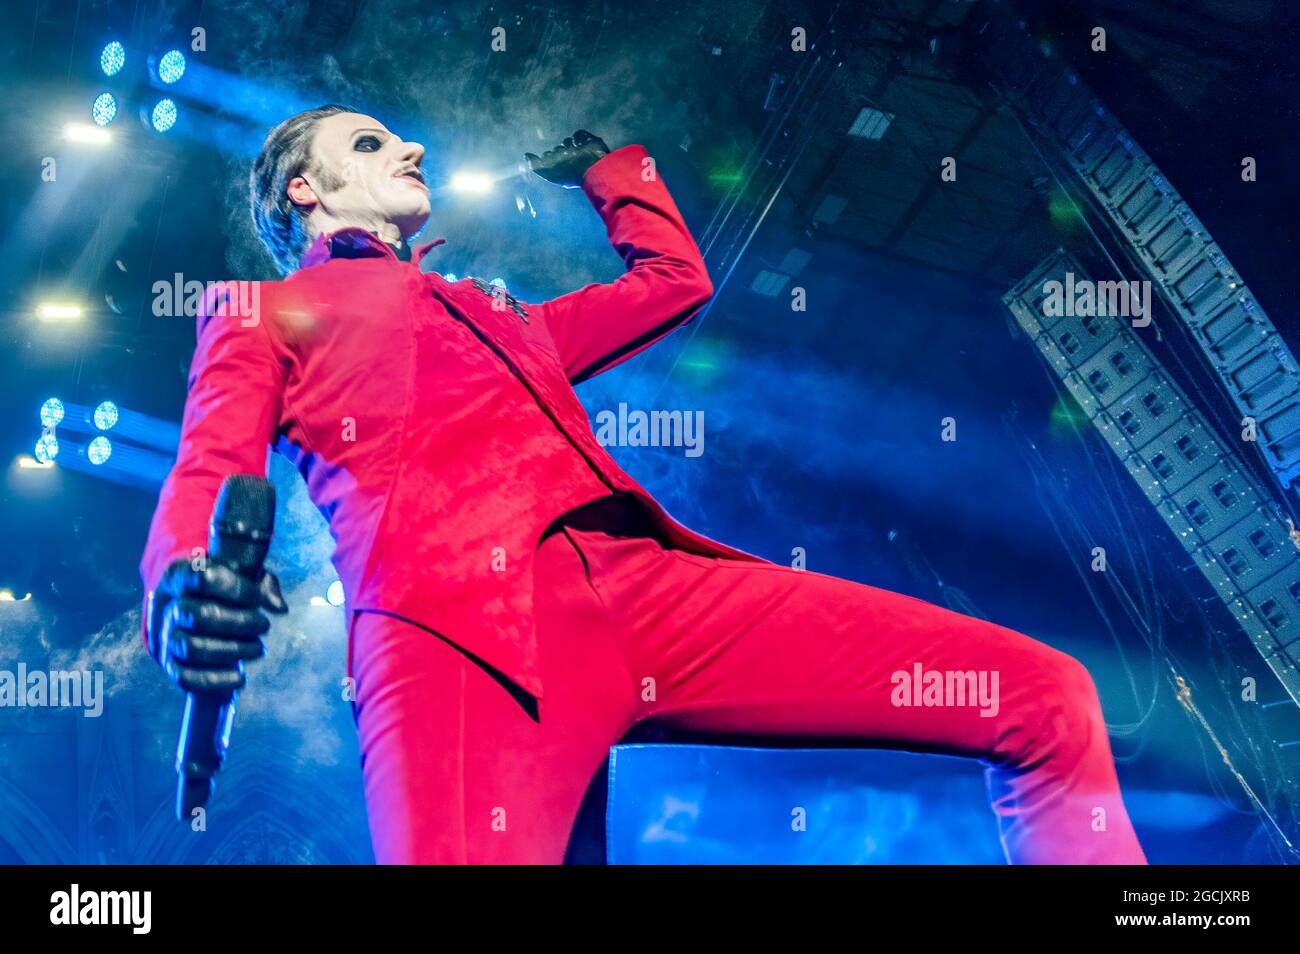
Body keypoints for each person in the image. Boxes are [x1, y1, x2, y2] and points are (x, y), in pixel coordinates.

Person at [139, 105, 1147, 864]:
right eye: (369, 145)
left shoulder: (505, 319)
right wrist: (182, 585)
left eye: (403, 140)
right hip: (464, 645)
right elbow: (207, 466)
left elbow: (672, 286)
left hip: (657, 591)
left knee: (1044, 695)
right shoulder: (260, 308)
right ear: (303, 192)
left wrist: (615, 173)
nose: (408, 151)